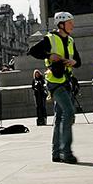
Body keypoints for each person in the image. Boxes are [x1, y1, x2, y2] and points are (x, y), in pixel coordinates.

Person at [27, 11, 82, 164]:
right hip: (55, 82)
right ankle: (66, 152)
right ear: (61, 24)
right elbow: (32, 51)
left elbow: (78, 60)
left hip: (67, 81)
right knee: (69, 112)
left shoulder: (71, 40)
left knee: (59, 117)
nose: (73, 25)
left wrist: (73, 62)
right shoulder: (50, 39)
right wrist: (49, 56)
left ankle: (56, 152)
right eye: (70, 22)